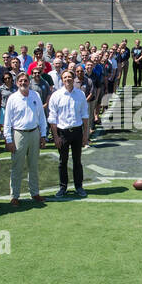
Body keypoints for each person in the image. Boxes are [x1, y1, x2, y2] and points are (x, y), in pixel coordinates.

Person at [3, 71, 48, 206]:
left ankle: (34, 192)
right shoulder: (12, 98)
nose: (23, 83)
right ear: (17, 83)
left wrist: (43, 134)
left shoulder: (35, 95)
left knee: (33, 165)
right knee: (17, 166)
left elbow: (41, 117)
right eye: (21, 81)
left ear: (29, 82)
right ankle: (14, 195)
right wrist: (9, 140)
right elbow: (7, 121)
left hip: (34, 133)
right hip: (19, 134)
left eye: (25, 80)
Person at [48, 70, 90, 198]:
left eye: (70, 77)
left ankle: (79, 186)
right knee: (63, 161)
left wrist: (85, 135)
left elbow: (85, 116)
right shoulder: (56, 95)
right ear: (62, 79)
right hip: (63, 132)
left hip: (77, 131)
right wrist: (55, 136)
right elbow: (53, 118)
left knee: (77, 161)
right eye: (65, 77)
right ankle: (63, 187)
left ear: (74, 78)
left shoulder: (81, 94)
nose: (68, 79)